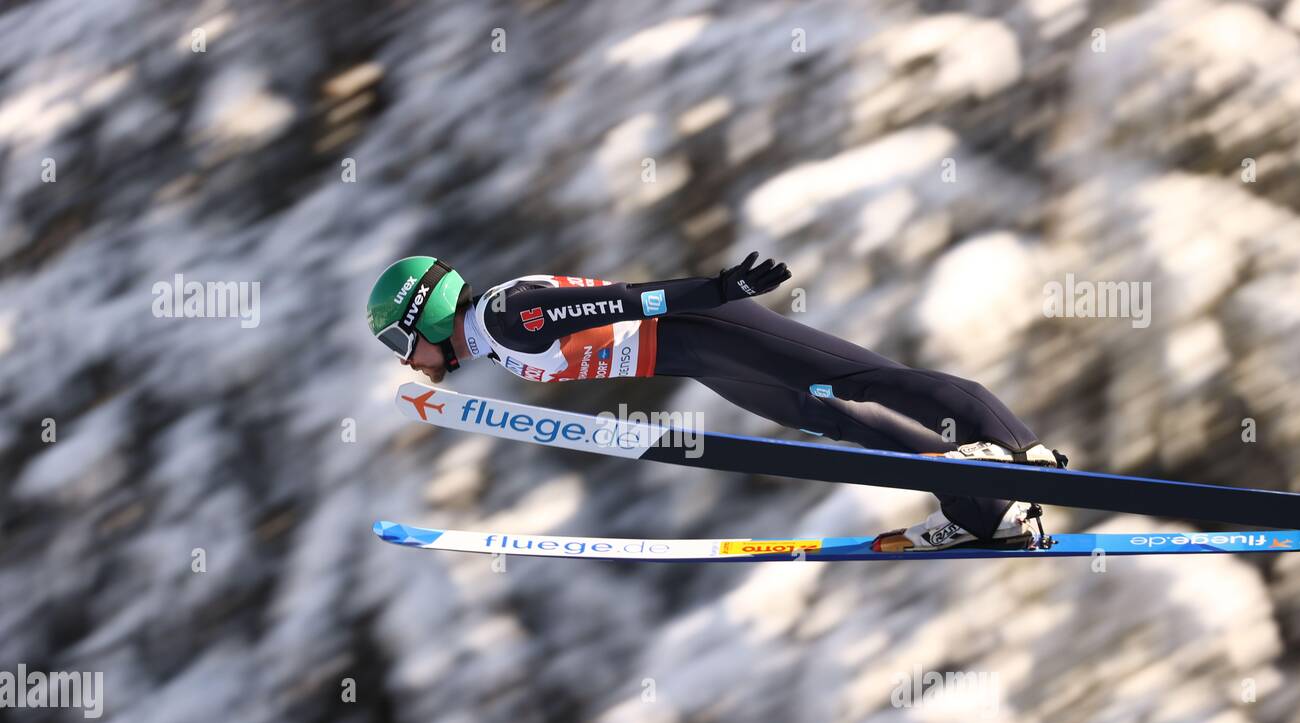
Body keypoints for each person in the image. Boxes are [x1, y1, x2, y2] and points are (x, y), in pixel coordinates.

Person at [365, 254, 1065, 552]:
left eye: (402, 338)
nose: (407, 358)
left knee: (863, 380)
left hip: (709, 330)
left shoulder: (507, 317)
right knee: (835, 415)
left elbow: (626, 300)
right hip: (702, 361)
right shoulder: (492, 337)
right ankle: (982, 509)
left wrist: (718, 289)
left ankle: (1016, 450)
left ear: (424, 315)